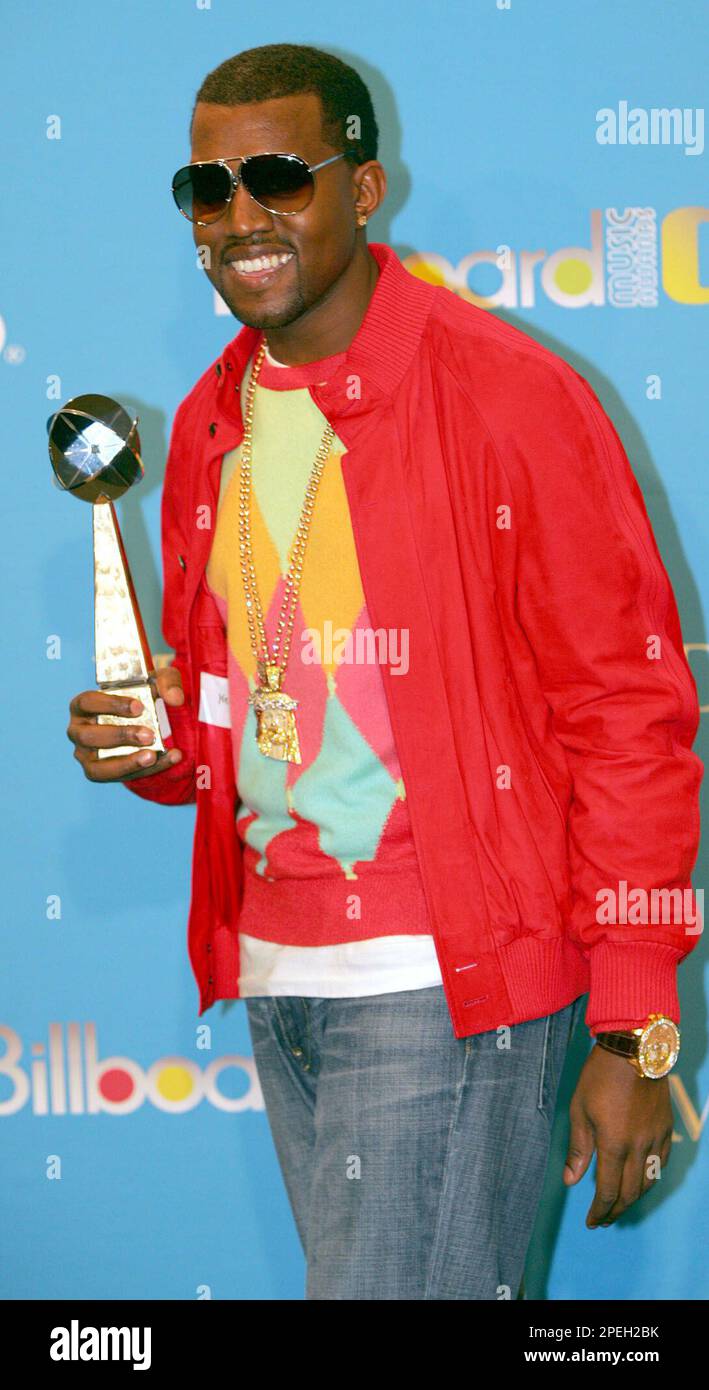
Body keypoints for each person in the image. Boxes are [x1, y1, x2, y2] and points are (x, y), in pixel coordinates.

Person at [66, 43, 703, 1300]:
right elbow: (241, 718)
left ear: (362, 190)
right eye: (207, 186)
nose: (240, 218)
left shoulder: (510, 396)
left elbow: (626, 710)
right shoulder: (209, 426)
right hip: (278, 979)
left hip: (451, 985)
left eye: (278, 177)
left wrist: (635, 1025)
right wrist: (155, 744)